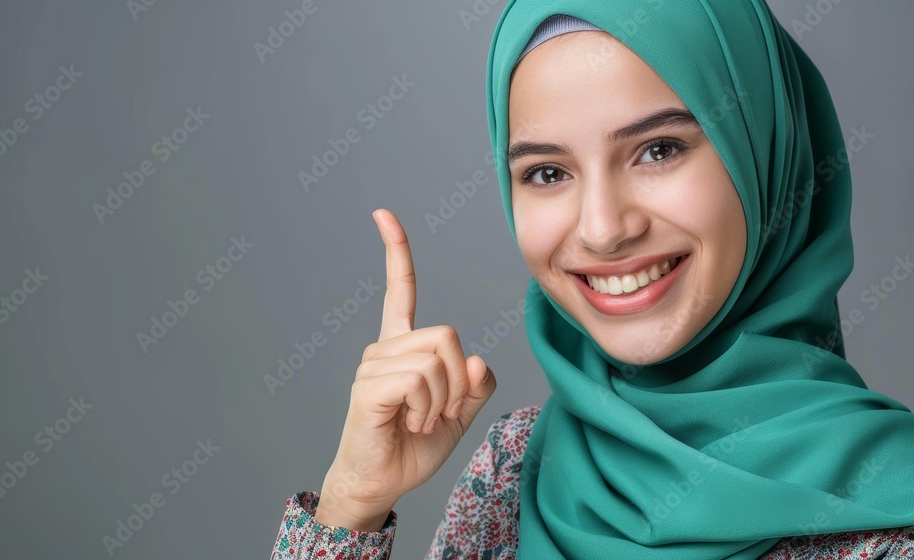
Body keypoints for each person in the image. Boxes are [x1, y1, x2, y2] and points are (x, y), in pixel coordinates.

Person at [270, 1, 914, 558]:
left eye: (658, 149)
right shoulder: (515, 469)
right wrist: (351, 505)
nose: (603, 230)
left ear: (764, 151)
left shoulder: (890, 523)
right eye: (548, 172)